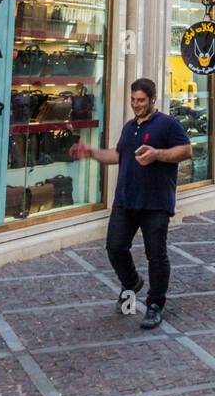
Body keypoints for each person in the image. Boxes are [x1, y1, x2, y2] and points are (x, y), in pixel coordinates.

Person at [72, 77, 192, 328]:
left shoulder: (167, 124)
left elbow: (185, 150)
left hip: (155, 202)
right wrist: (92, 153)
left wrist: (157, 154)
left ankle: (155, 304)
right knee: (115, 247)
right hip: (125, 200)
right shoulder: (129, 127)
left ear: (152, 100)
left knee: (156, 255)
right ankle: (131, 282)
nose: (136, 105)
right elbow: (118, 155)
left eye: (141, 101)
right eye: (133, 100)